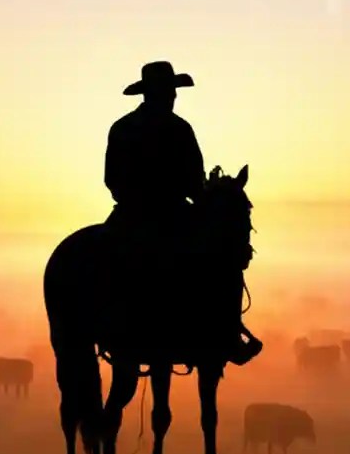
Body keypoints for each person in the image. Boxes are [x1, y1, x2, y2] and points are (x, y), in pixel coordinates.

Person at [104, 61, 258, 365]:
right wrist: (202, 195)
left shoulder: (122, 128)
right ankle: (228, 333)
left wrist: (134, 199)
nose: (173, 97)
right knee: (224, 261)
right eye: (171, 91)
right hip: (172, 214)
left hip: (128, 215)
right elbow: (194, 182)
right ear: (161, 93)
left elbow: (111, 179)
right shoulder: (180, 129)